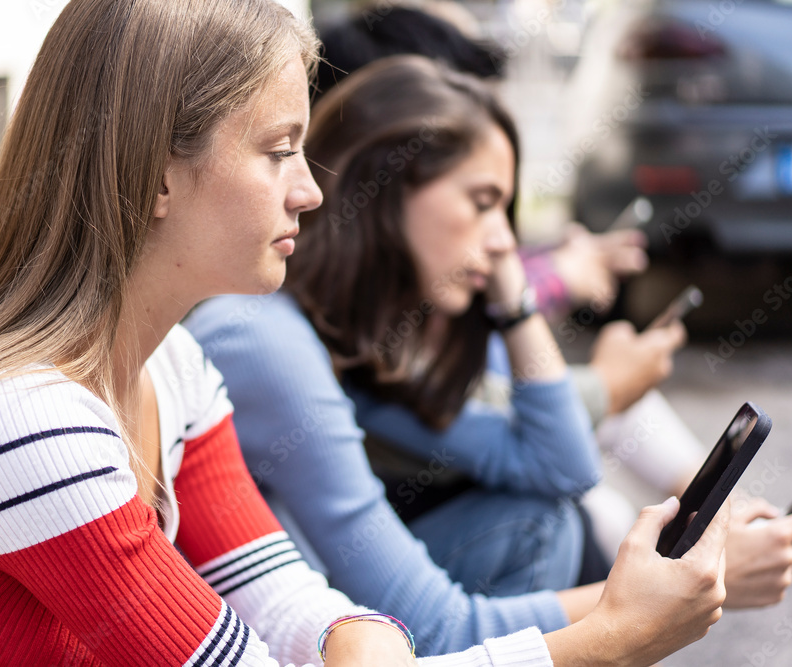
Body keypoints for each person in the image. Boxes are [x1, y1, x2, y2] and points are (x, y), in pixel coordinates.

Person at [0, 2, 726, 667]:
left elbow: (275, 586)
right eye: (277, 148)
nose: (311, 191)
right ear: (154, 174)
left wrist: (344, 631)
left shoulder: (173, 361)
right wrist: (610, 641)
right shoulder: (25, 421)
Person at [185, 54, 729, 662]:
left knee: (539, 516)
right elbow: (430, 623)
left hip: (338, 628)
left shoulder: (382, 334)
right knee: (538, 528)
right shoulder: (265, 336)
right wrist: (637, 613)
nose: (503, 243)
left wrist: (516, 305)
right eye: (481, 201)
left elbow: (563, 466)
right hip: (307, 641)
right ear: (387, 190)